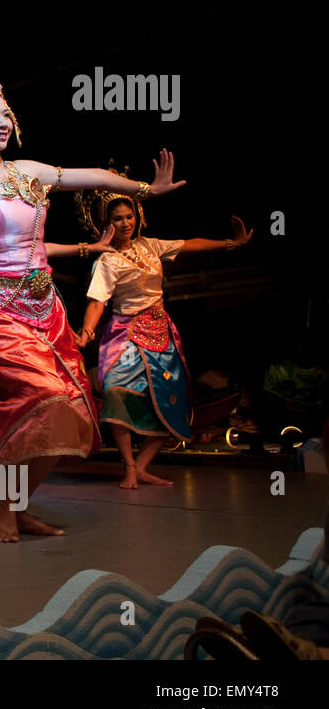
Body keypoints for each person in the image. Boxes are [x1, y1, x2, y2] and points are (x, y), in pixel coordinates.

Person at [0, 46, 186, 542]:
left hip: (45, 307)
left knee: (73, 406)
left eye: (7, 112)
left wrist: (146, 189)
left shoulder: (29, 172)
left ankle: (18, 504)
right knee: (28, 402)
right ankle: (0, 511)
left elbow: (93, 176)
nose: (4, 120)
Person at [73, 183, 252, 487]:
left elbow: (190, 244)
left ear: (137, 217)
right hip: (125, 334)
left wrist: (230, 244)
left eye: (129, 216)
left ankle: (141, 466)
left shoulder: (150, 245)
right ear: (107, 224)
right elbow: (97, 302)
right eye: (118, 218)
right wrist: (87, 333)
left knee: (175, 400)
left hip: (161, 332)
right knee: (118, 394)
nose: (126, 223)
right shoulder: (107, 260)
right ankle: (128, 465)